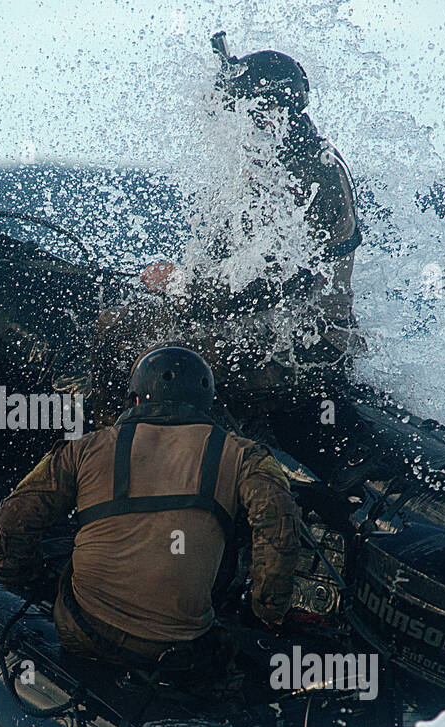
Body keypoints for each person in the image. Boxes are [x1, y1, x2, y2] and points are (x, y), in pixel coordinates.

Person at [90, 37, 363, 473]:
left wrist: (180, 286)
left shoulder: (315, 177)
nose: (233, 125)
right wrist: (183, 283)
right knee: (121, 321)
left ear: (271, 113)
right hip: (263, 331)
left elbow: (274, 288)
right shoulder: (275, 163)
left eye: (242, 112)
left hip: (304, 351)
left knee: (153, 356)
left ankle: (141, 477)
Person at [0, 347, 301, 669]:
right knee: (230, 673)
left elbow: (15, 515)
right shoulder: (245, 455)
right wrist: (266, 610)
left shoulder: (85, 448)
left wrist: (23, 578)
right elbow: (279, 529)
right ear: (206, 404)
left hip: (81, 631)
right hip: (175, 652)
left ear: (137, 400)